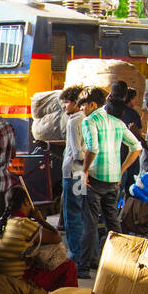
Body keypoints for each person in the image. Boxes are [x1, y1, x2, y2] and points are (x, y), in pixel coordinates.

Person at [79, 85, 142, 273]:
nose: (81, 109)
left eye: (83, 105)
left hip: (95, 180)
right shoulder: (117, 122)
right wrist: (121, 170)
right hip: (113, 180)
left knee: (89, 222)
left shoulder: (90, 121)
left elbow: (93, 148)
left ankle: (83, 266)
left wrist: (84, 171)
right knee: (113, 223)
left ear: (92, 104)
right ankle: (121, 263)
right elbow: (136, 147)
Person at [0, 186, 79, 291]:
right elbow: (56, 237)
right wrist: (40, 220)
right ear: (25, 202)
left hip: (2, 273)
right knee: (68, 267)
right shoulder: (23, 224)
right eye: (29, 203)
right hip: (20, 277)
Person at [59, 86, 86, 267]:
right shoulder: (86, 119)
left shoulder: (72, 122)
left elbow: (77, 152)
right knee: (81, 214)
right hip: (82, 173)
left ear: (76, 103)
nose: (64, 106)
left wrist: (82, 157)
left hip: (72, 172)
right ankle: (85, 255)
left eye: (67, 102)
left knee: (72, 216)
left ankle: (75, 257)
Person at [105, 80, 144, 193]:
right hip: (124, 161)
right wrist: (122, 170)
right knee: (125, 192)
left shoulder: (100, 114)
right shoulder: (130, 116)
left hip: (105, 166)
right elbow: (137, 146)